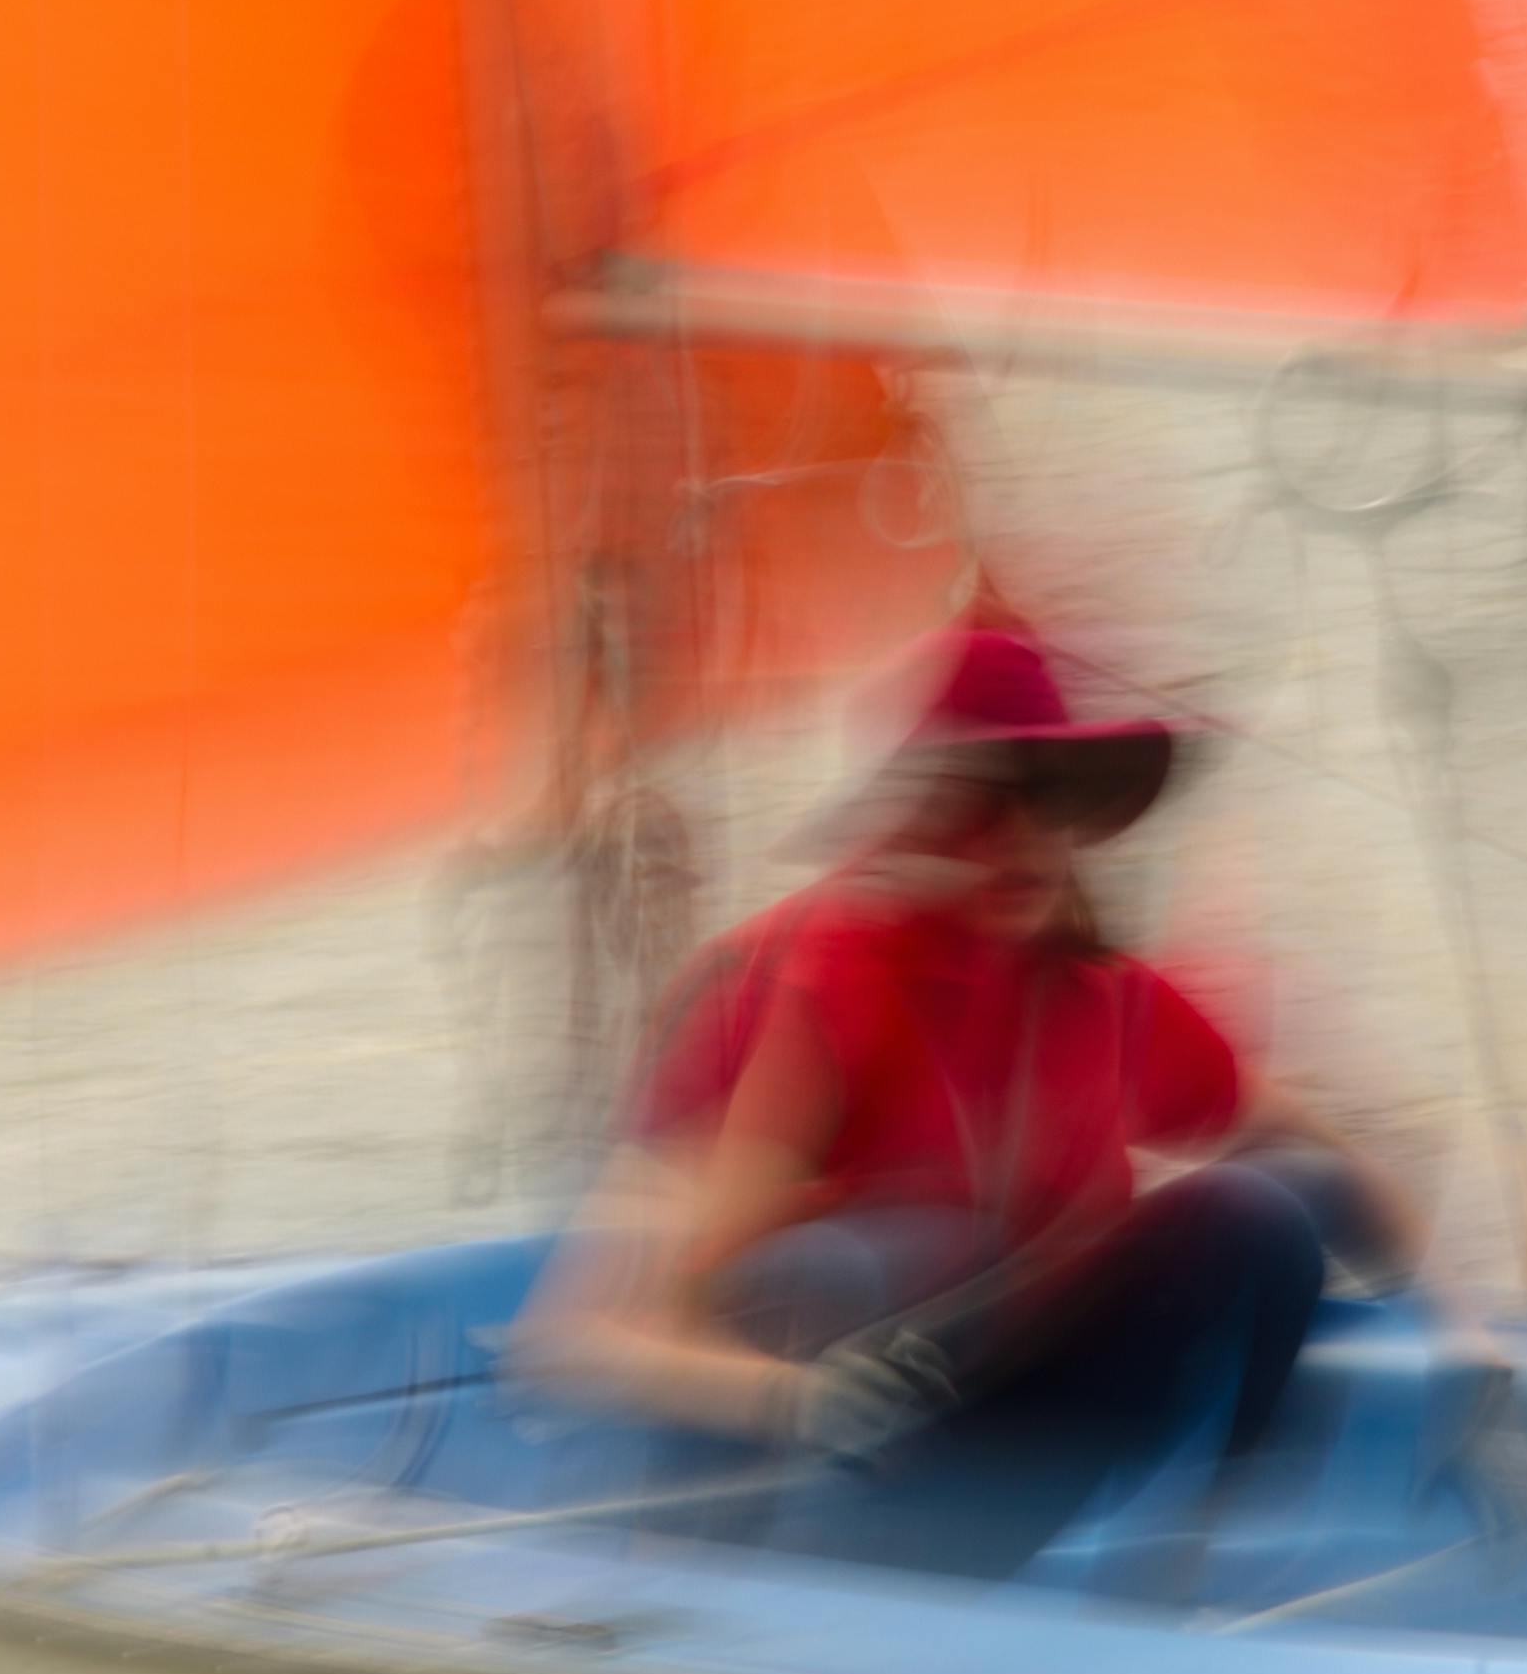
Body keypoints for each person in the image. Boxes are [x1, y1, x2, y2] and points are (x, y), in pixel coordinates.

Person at [515, 616, 1420, 1580]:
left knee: (1262, 1213)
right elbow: (577, 1343)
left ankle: (1183, 1574)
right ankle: (765, 1613)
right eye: (987, 805)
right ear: (927, 822)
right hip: (781, 1478)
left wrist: (1457, 1311)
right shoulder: (820, 986)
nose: (1022, 842)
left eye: (1049, 802)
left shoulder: (1103, 1001)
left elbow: (1330, 1169)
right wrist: (801, 1400)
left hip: (974, 1458)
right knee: (875, 1254)